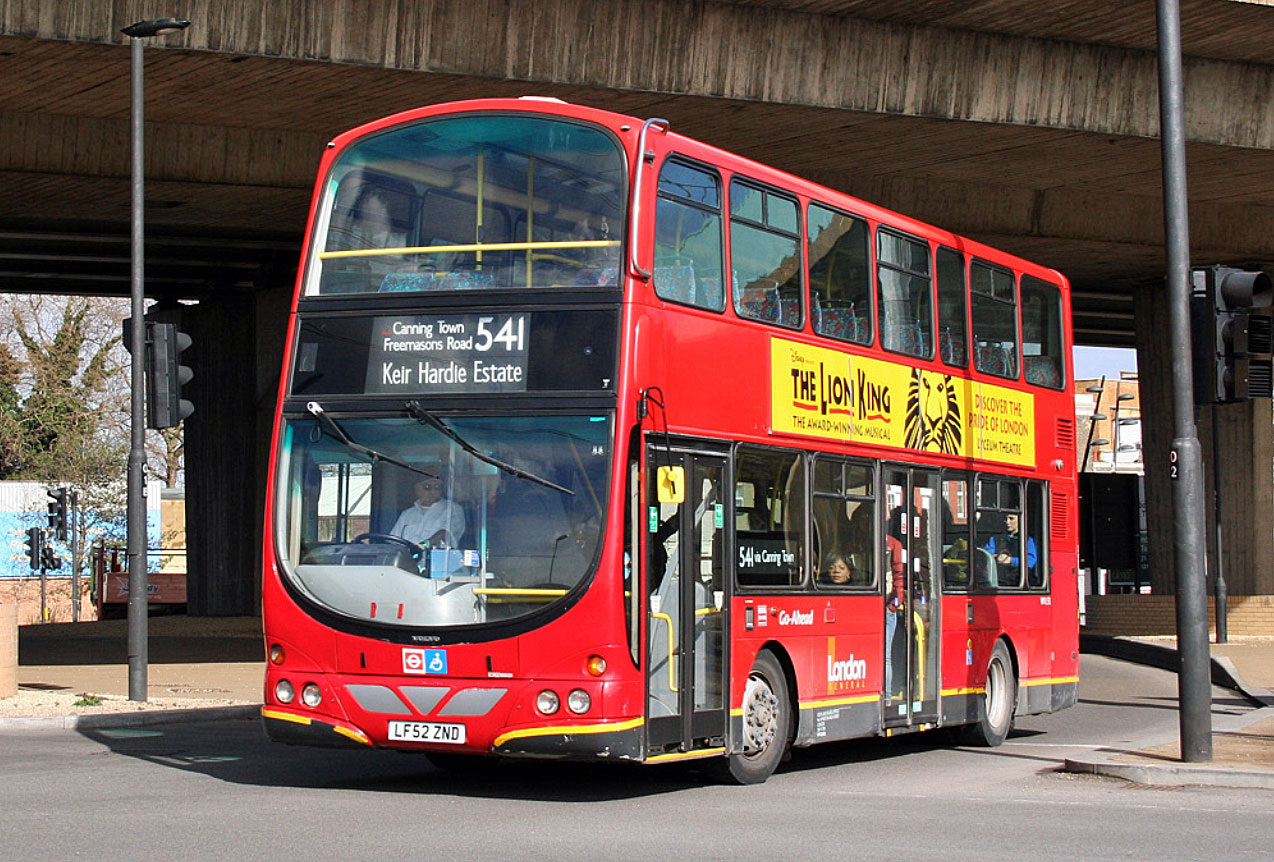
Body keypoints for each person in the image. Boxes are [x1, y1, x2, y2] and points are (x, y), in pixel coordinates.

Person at [391, 474, 465, 548]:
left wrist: (422, 546)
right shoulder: (407, 514)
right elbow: (393, 540)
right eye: (427, 487)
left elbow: (445, 533)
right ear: (417, 489)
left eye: (437, 487)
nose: (433, 491)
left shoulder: (452, 509)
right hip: (405, 556)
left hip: (435, 557)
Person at [883, 507, 907, 700]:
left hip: (886, 608)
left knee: (886, 656)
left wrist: (893, 605)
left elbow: (899, 577)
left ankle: (888, 697)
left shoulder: (893, 545)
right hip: (870, 608)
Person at [983, 512, 1037, 580]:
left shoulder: (1027, 539)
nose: (1007, 522)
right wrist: (996, 557)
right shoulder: (994, 538)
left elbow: (1030, 561)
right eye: (1005, 519)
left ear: (1020, 520)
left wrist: (1011, 560)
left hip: (1018, 580)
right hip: (998, 580)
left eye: (1011, 519)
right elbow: (985, 555)